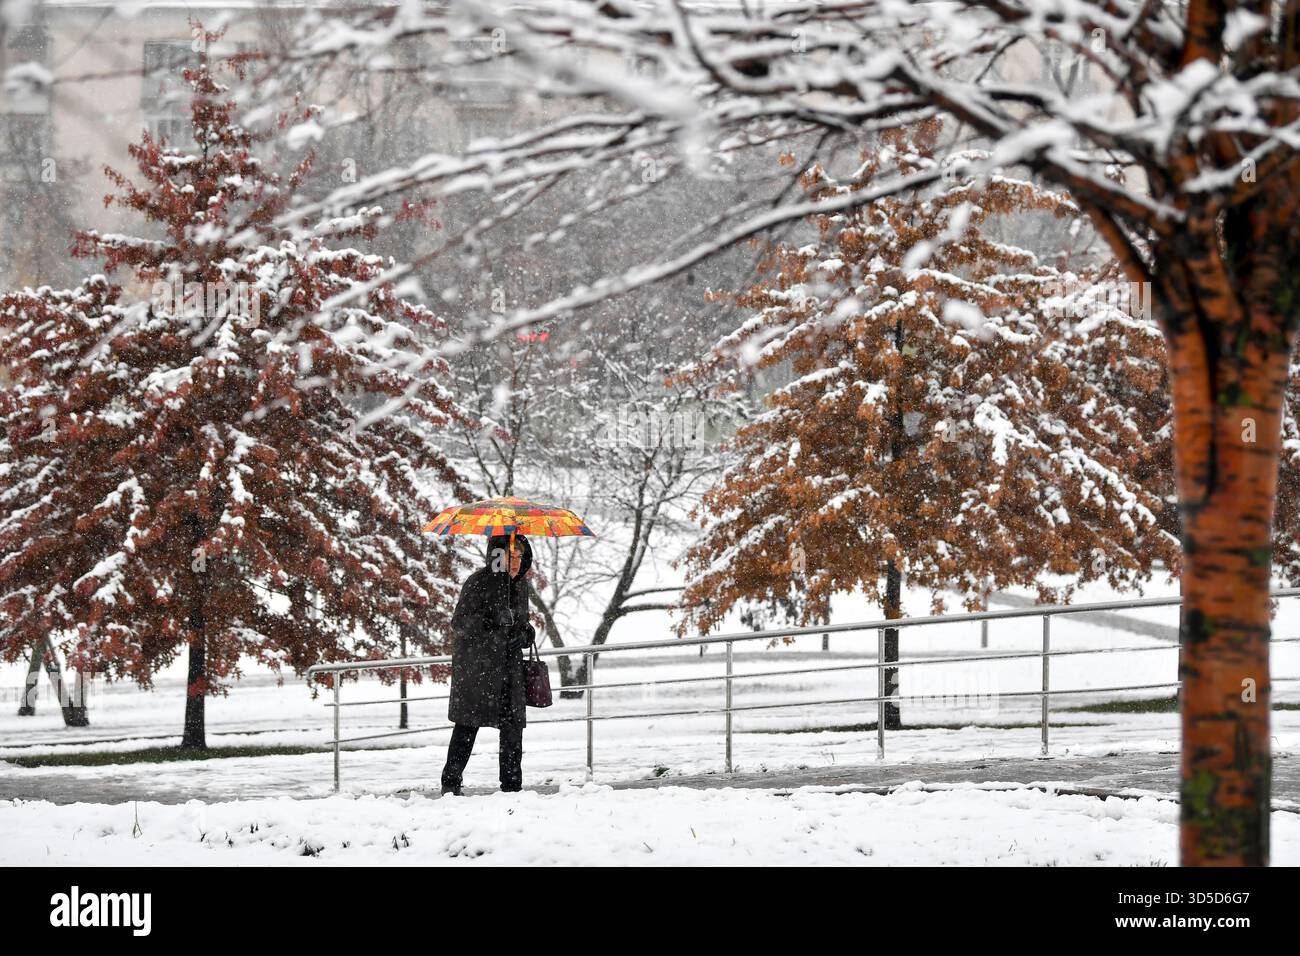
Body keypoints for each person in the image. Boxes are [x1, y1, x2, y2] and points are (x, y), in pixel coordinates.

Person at [441, 532, 536, 795]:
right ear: (498, 555)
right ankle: (450, 784)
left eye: (520, 556)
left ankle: (512, 786)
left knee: (512, 729)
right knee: (467, 727)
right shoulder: (478, 582)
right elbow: (460, 623)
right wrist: (491, 620)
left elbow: (521, 624)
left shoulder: (520, 586)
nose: (516, 562)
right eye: (510, 555)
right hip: (478, 670)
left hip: (509, 669)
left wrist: (525, 633)